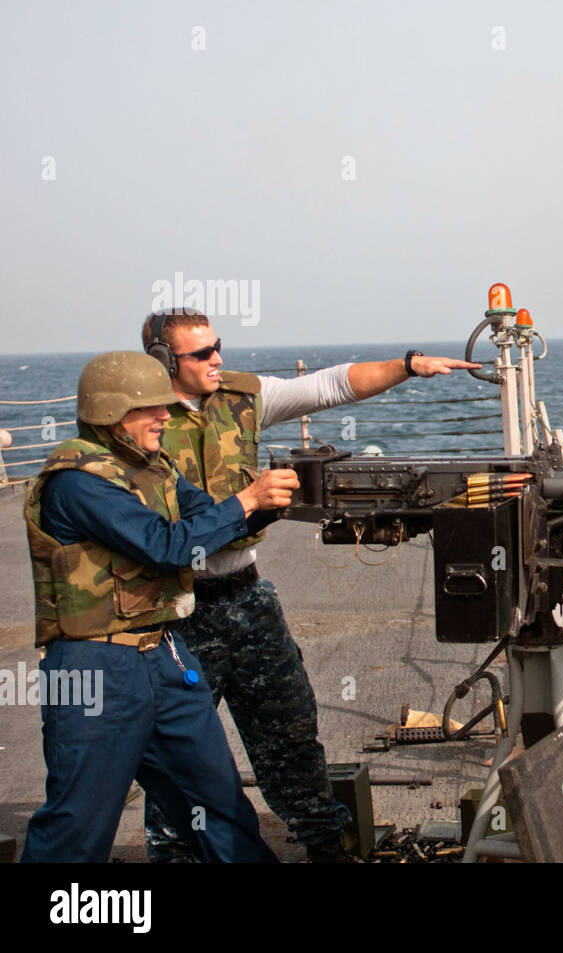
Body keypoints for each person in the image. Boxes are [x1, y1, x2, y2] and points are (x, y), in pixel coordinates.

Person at [139, 308, 480, 861]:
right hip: (176, 610)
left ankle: (327, 843)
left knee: (291, 730)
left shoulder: (240, 397)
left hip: (246, 595)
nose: (217, 359)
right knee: (176, 752)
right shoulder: (139, 417)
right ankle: (174, 851)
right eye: (201, 354)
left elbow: (328, 386)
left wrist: (408, 365)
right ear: (162, 361)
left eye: (217, 346)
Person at [21, 351, 298, 862]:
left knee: (218, 801)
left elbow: (210, 520)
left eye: (163, 406)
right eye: (147, 409)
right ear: (109, 414)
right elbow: (165, 544)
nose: (163, 418)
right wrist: (248, 502)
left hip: (163, 656)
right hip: (94, 668)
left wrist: (286, 498)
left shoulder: (155, 470)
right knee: (78, 823)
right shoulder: (78, 481)